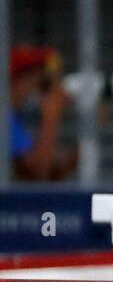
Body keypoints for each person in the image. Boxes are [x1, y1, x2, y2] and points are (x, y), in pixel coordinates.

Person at [8, 45, 78, 181]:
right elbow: (39, 172)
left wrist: (90, 131)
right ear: (13, 81)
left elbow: (54, 172)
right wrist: (51, 114)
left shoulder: (17, 117)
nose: (37, 87)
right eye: (33, 77)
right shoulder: (5, 120)